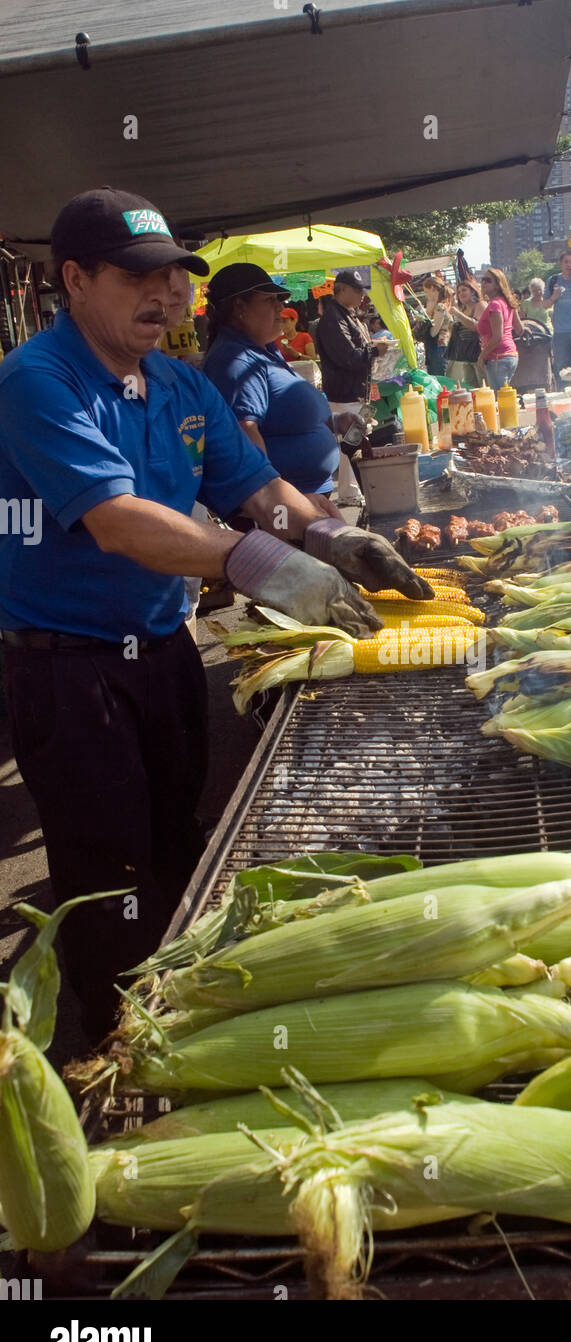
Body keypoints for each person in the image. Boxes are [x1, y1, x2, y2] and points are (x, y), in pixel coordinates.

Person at [0, 187, 428, 1044]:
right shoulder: (35, 382)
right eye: (138, 278)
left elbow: (256, 489)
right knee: (106, 873)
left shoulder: (175, 385)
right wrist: (253, 560)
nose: (164, 295)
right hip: (68, 671)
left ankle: (185, 1019)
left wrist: (336, 537)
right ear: (73, 279)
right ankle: (118, 1047)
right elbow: (116, 520)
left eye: (173, 277)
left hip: (161, 649)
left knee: (174, 841)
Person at [202, 263, 352, 501]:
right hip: (286, 510)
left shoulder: (263, 350)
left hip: (306, 500)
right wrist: (282, 503)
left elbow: (282, 415)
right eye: (270, 300)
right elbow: (245, 434)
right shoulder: (234, 360)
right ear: (239, 307)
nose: (281, 307)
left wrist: (333, 421)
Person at [316, 269, 390, 503]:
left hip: (357, 392)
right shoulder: (333, 319)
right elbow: (347, 357)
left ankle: (353, 490)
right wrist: (374, 350)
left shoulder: (349, 316)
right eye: (357, 290)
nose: (361, 295)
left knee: (354, 441)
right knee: (350, 444)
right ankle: (351, 491)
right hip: (344, 393)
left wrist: (373, 348)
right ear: (343, 290)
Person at [477, 268, 521, 390]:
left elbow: (497, 336)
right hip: (511, 355)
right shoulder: (508, 302)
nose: (483, 283)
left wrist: (482, 356)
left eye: (488, 280)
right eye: (482, 280)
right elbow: (519, 328)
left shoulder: (495, 305)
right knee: (506, 397)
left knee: (501, 400)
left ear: (497, 285)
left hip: (498, 357)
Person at [543, 250, 571, 385]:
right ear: (560, 264)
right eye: (566, 262)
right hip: (560, 333)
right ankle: (564, 395)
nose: (569, 265)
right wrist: (554, 296)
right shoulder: (553, 280)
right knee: (562, 368)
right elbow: (544, 305)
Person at [446, 278, 485, 388]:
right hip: (466, 355)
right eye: (459, 292)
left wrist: (459, 315)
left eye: (464, 290)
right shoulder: (463, 310)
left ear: (472, 291)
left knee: (484, 386)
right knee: (471, 388)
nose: (461, 294)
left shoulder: (480, 305)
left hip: (479, 353)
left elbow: (479, 327)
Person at [419, 277, 453, 377]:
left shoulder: (440, 307)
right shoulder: (445, 304)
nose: (426, 295)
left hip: (438, 347)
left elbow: (434, 332)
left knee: (438, 379)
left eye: (426, 291)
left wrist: (425, 317)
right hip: (441, 346)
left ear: (433, 289)